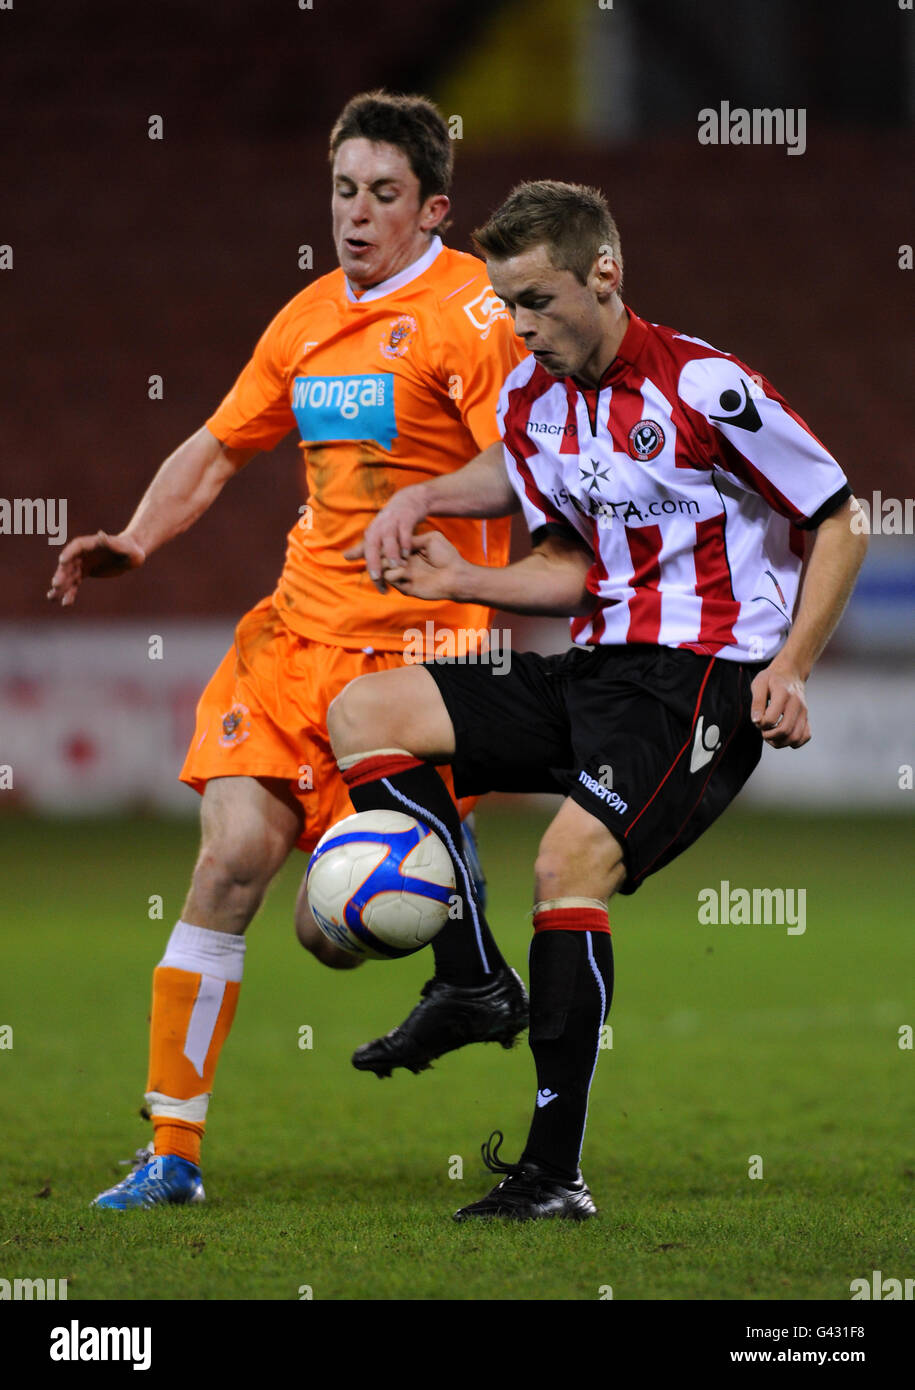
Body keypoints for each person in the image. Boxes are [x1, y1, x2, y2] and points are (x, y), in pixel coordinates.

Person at [326, 179, 869, 1221]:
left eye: (536, 301)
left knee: (566, 859)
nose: (520, 327)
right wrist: (463, 580)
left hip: (699, 681)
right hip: (594, 667)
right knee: (367, 715)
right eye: (507, 304)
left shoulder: (706, 388)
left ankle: (551, 1175)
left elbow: (839, 517)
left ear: (605, 275)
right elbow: (572, 566)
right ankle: (472, 975)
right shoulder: (532, 401)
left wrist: (791, 665)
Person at [47, 92, 530, 1209]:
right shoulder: (306, 319)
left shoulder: (474, 315)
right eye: (344, 190)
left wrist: (434, 519)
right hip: (289, 641)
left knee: (331, 931)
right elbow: (218, 448)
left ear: (434, 207)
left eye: (384, 195)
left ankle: (444, 906)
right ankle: (172, 1151)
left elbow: (520, 462)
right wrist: (133, 536)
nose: (357, 215)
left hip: (410, 674)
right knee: (223, 871)